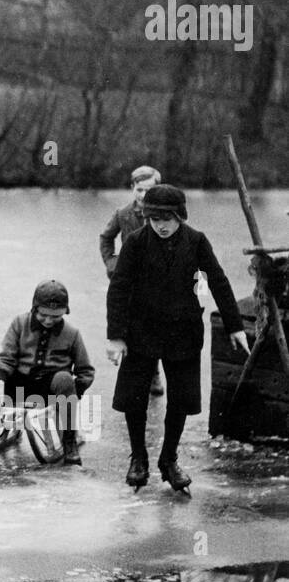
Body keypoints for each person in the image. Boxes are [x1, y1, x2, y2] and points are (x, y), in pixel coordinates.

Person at [107, 184, 249, 492]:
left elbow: (218, 281)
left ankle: (168, 459)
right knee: (134, 396)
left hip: (182, 333)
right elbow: (118, 288)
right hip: (141, 331)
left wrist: (235, 325)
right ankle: (139, 458)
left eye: (167, 219)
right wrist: (116, 336)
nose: (161, 226)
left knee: (182, 399)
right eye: (154, 219)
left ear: (179, 217)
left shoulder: (196, 241)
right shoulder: (135, 242)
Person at [0, 280, 94, 467]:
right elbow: (6, 358)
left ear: (64, 312)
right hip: (16, 385)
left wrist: (69, 394)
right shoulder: (20, 323)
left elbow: (85, 372)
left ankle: (69, 441)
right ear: (34, 308)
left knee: (64, 378)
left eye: (56, 316)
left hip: (47, 393)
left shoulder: (72, 334)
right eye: (43, 315)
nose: (48, 321)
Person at [100, 164, 164, 396]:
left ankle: (154, 371)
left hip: (158, 281)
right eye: (139, 190)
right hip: (130, 281)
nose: (143, 195)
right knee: (129, 326)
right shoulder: (123, 214)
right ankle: (133, 374)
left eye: (149, 190)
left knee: (155, 326)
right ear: (132, 188)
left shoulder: (165, 213)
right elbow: (106, 238)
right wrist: (112, 264)